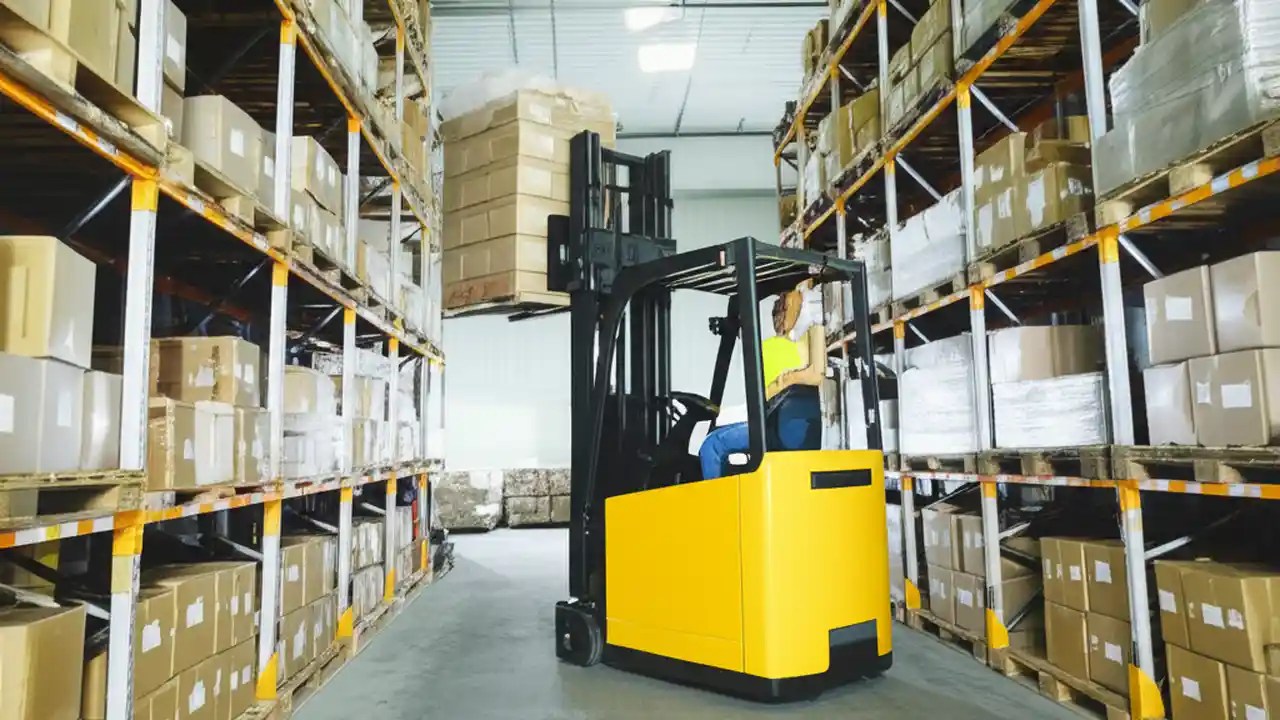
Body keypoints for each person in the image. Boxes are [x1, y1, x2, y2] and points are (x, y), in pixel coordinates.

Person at [698, 285, 826, 480]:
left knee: (711, 446)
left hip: (775, 426)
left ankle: (716, 507)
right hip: (789, 426)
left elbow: (760, 398)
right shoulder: (808, 342)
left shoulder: (771, 348)